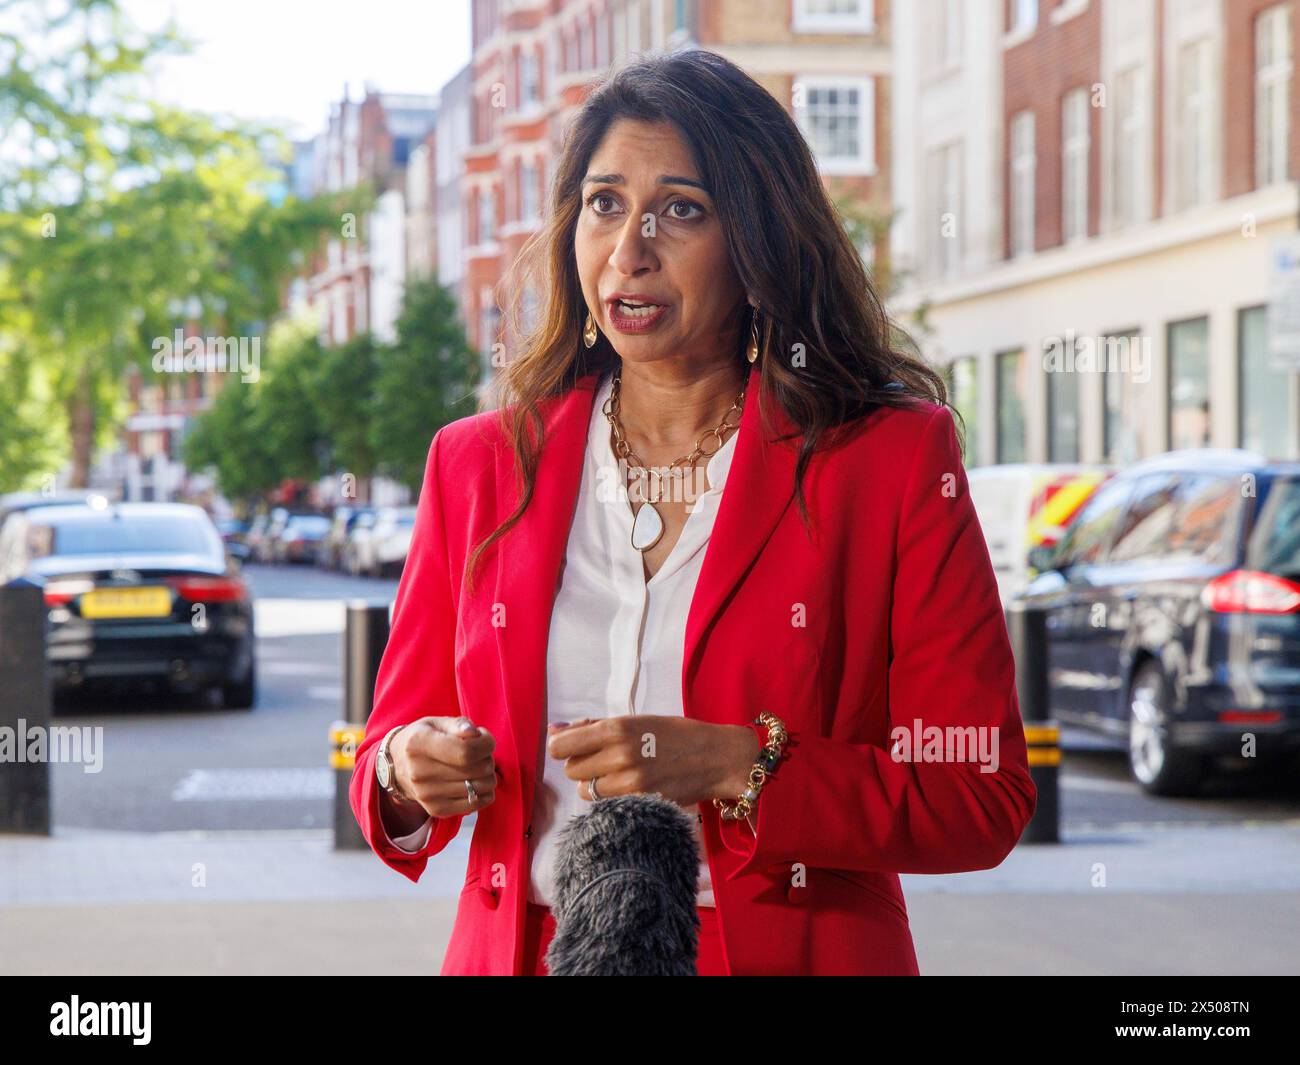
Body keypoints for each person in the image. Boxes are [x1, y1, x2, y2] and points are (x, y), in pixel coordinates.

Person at [350, 49, 1036, 976]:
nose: (630, 248)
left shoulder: (888, 460)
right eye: (604, 204)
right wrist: (405, 770)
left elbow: (976, 794)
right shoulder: (476, 464)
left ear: (757, 240)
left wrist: (737, 764)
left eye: (681, 209)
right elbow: (387, 755)